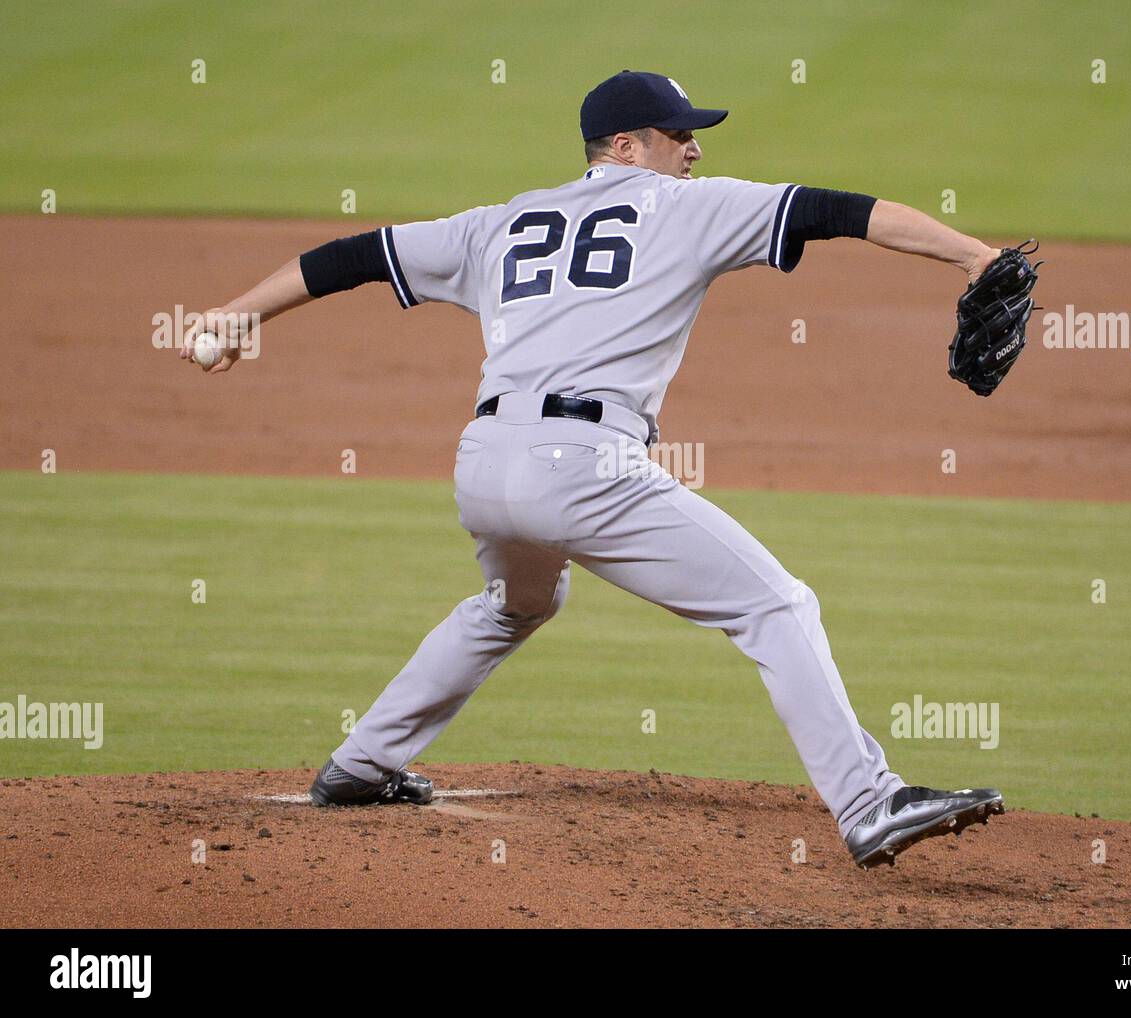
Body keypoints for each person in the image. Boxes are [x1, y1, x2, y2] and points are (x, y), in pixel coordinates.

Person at [182, 70, 1004, 868]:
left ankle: (361, 766)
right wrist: (972, 253)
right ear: (626, 145)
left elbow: (354, 255)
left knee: (516, 602)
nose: (694, 151)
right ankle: (869, 803)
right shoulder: (687, 207)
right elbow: (843, 212)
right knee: (776, 605)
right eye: (680, 135)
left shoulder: (502, 222)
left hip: (483, 464)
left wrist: (232, 315)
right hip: (584, 467)